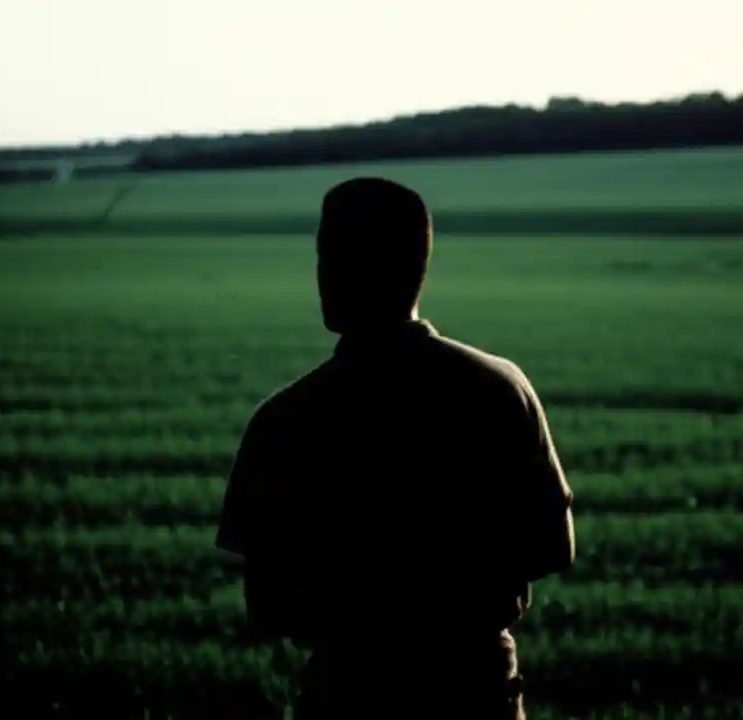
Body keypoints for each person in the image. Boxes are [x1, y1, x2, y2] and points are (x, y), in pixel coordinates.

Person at [216, 177, 575, 719]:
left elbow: (266, 606)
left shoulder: (286, 419)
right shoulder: (501, 388)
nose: (322, 275)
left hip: (348, 696)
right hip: (475, 690)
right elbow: (552, 548)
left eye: (333, 257)